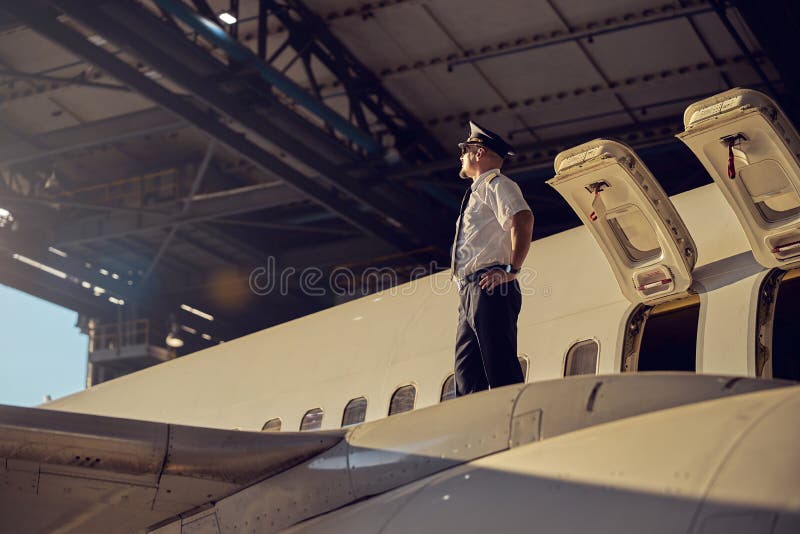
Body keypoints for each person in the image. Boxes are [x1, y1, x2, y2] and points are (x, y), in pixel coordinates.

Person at [451, 121, 534, 396]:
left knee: (500, 369)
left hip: (490, 286)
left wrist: (512, 270)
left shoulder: (496, 185)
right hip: (470, 291)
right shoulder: (477, 193)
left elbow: (522, 219)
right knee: (466, 376)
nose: (461, 155)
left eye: (464, 149)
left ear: (478, 152)